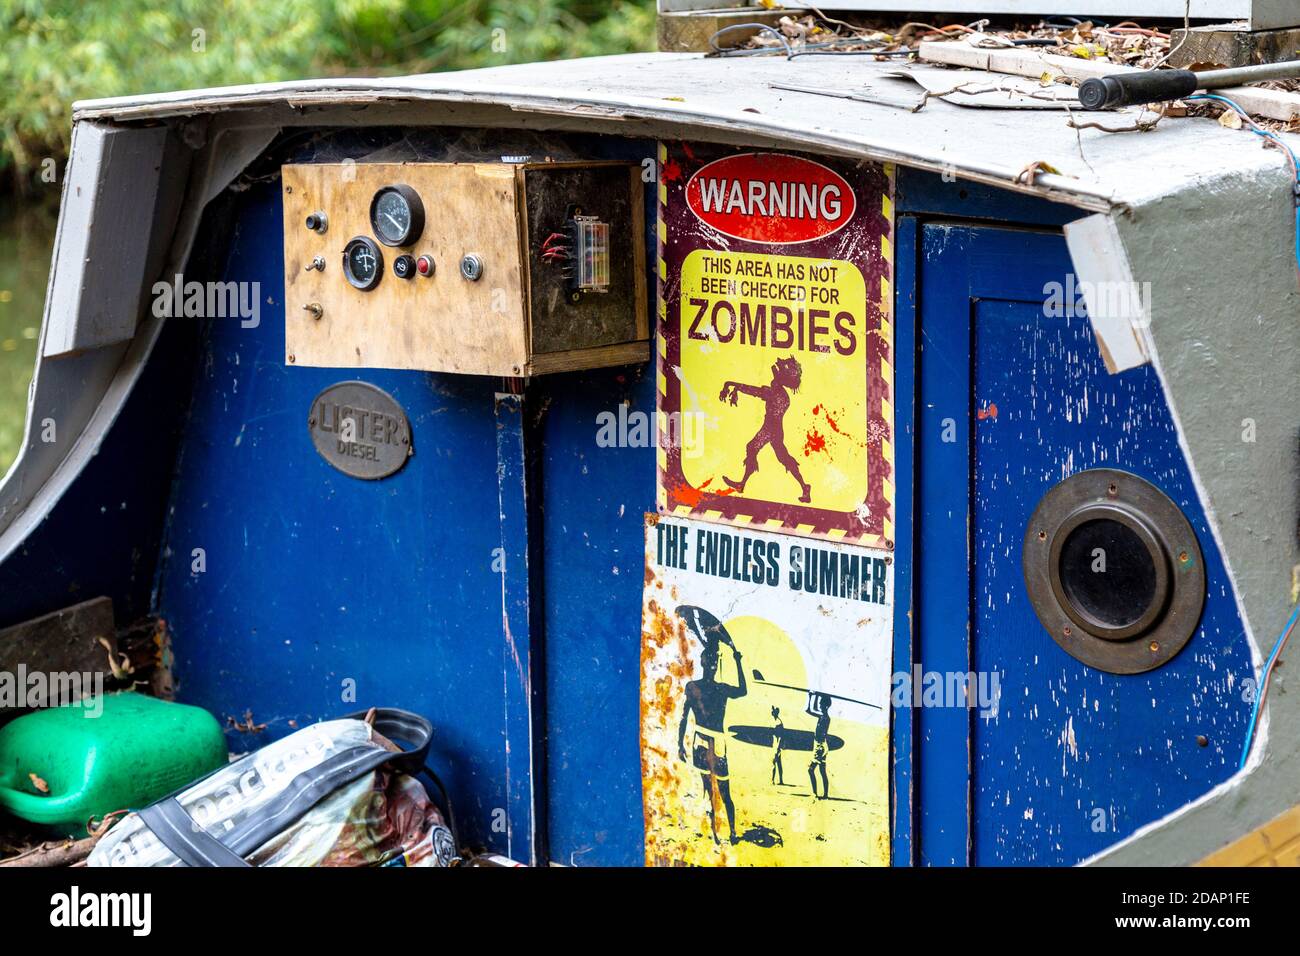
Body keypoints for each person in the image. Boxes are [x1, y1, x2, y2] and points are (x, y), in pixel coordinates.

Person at [676, 605, 748, 845]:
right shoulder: (716, 688)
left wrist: (680, 744)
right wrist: (737, 662)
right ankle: (726, 834)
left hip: (704, 742)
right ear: (710, 663)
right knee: (720, 791)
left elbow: (685, 717)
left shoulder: (696, 687)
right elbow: (743, 690)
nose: (714, 663)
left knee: (714, 790)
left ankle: (723, 834)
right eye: (714, 660)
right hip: (713, 742)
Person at [719, 356, 812, 503]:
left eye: (779, 372)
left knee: (753, 448)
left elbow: (753, 391)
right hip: (775, 429)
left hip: (771, 429)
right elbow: (761, 388)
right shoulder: (781, 393)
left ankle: (741, 484)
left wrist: (731, 384)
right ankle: (804, 487)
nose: (775, 371)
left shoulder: (777, 393)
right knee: (782, 457)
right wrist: (731, 385)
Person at [808, 694, 832, 800]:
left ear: (825, 706)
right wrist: (814, 696)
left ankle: (815, 794)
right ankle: (825, 795)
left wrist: (812, 696)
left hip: (819, 746)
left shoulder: (824, 717)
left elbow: (810, 710)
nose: (819, 705)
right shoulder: (824, 716)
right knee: (822, 771)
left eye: (821, 704)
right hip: (821, 745)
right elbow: (811, 709)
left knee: (810, 770)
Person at [770, 706, 785, 785]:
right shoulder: (776, 721)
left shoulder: (778, 723)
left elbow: (780, 737)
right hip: (776, 745)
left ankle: (772, 780)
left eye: (773, 712)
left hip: (777, 745)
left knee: (773, 762)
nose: (772, 712)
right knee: (779, 763)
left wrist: (777, 747)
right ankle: (781, 780)